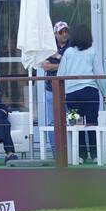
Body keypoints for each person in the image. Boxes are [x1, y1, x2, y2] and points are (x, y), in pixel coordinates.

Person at [57, 24, 106, 162]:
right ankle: (95, 154)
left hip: (72, 94)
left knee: (76, 124)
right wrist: (105, 92)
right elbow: (99, 73)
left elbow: (61, 74)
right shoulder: (92, 51)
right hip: (90, 92)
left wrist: (61, 93)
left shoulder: (68, 52)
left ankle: (80, 155)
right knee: (92, 122)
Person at [40, 21, 71, 151]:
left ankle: (72, 152)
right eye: (61, 32)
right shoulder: (49, 46)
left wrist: (57, 57)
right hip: (51, 89)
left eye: (66, 31)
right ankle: (56, 152)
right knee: (53, 122)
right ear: (55, 34)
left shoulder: (72, 46)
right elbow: (44, 65)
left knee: (72, 120)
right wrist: (61, 64)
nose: (64, 34)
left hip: (69, 88)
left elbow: (71, 64)